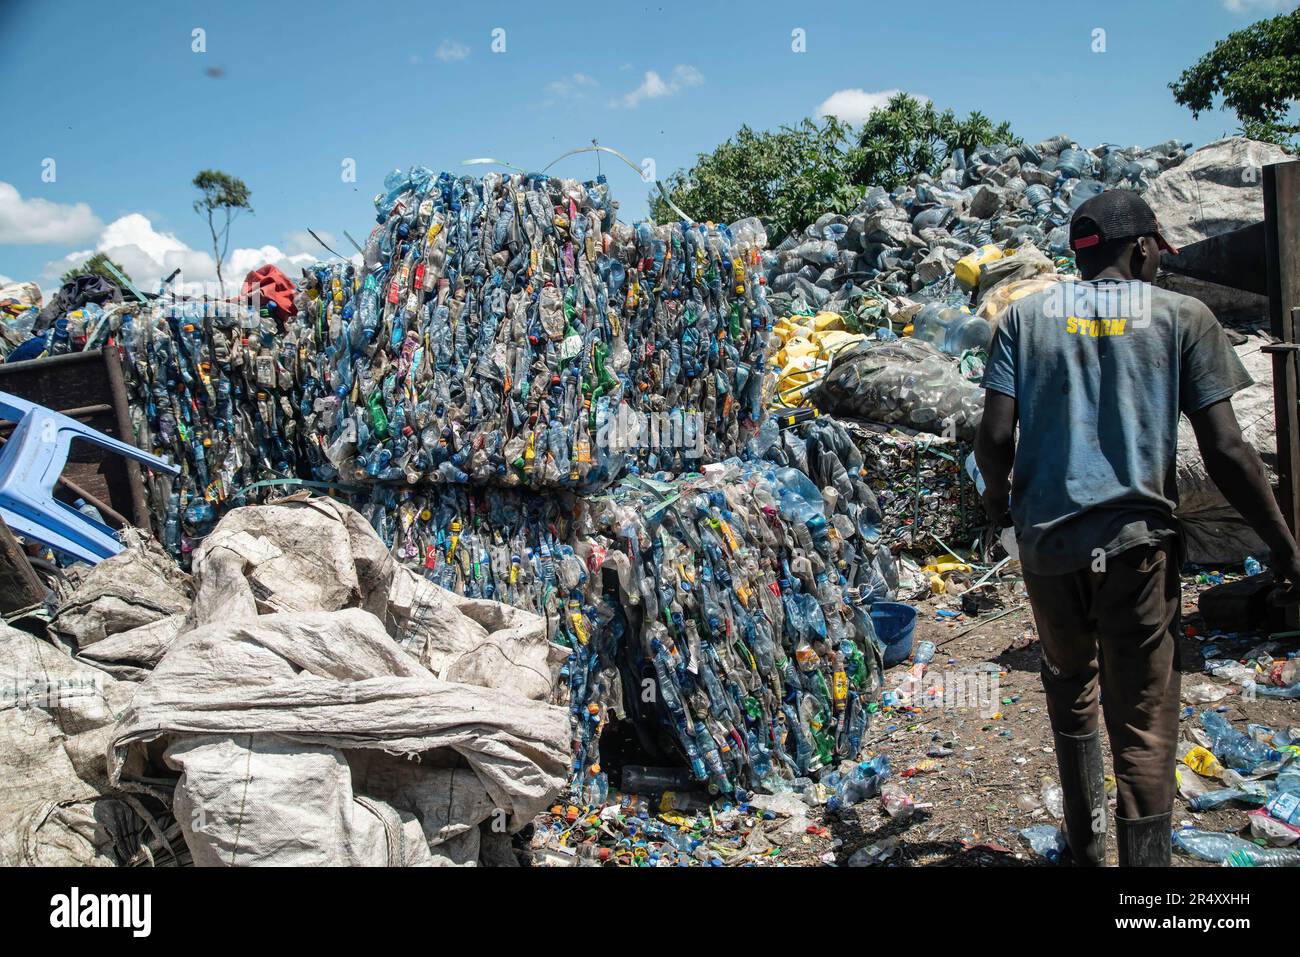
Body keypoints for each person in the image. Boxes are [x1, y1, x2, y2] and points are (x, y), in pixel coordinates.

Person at [974, 189, 1300, 866]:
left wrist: (1001, 504)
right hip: (1135, 551)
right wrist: (1284, 544)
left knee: (1070, 687)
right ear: (1144, 247)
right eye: (1157, 251)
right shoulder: (1182, 315)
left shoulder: (1025, 319)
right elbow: (1228, 451)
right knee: (1144, 722)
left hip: (1048, 547)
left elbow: (995, 435)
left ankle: (1087, 848)